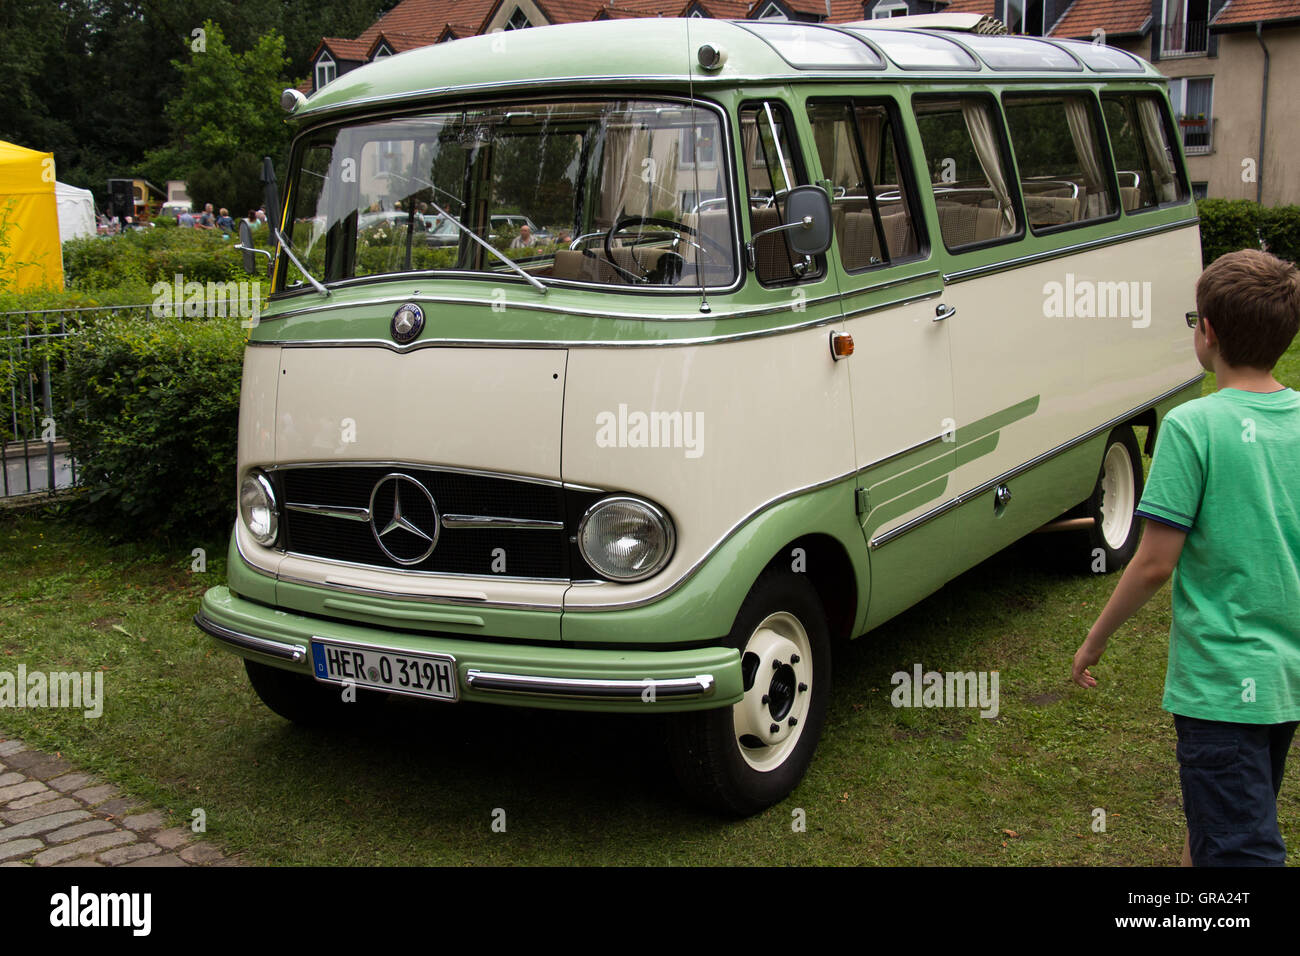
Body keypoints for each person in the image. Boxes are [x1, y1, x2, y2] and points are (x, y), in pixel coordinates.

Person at [1072, 248, 1300, 867]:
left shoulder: (1192, 427)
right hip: (1283, 681)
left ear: (1209, 333)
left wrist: (1094, 641)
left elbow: (1153, 563)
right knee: (1221, 826)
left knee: (1240, 850)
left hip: (1221, 686)